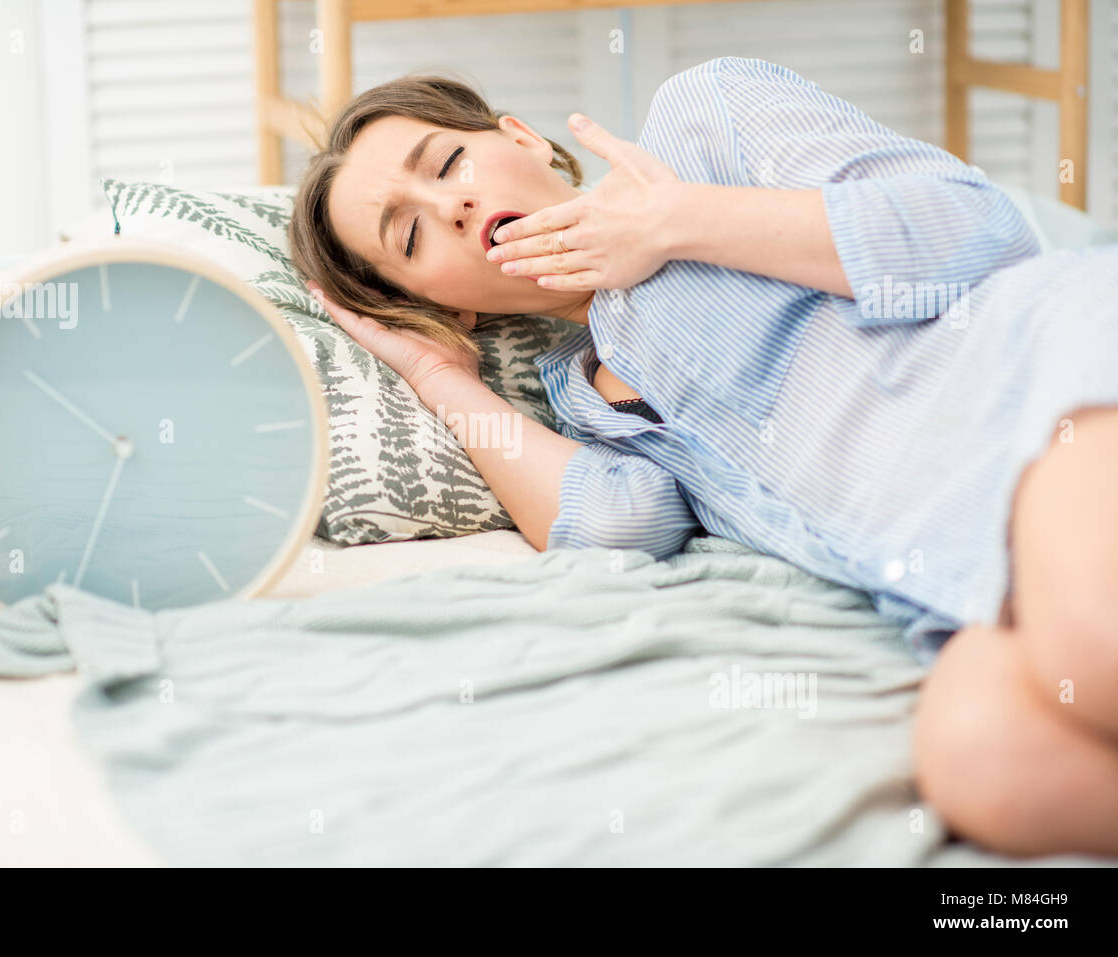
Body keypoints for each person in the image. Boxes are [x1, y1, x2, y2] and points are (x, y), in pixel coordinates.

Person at [288, 56, 1118, 857]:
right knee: (985, 760)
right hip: (950, 558)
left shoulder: (702, 119)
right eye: (411, 233)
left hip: (1046, 387)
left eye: (449, 162)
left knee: (1091, 636)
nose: (453, 206)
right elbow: (619, 524)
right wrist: (439, 375)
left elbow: (972, 230)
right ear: (444, 304)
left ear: (524, 139)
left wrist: (672, 223)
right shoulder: (583, 393)